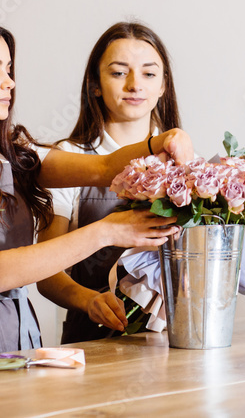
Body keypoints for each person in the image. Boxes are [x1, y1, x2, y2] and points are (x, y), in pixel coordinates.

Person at [0, 17, 189, 357]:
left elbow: (105, 166)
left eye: (8, 70)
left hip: (19, 329)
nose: (9, 83)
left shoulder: (12, 153)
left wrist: (165, 140)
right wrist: (107, 232)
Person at [37, 22, 181, 344]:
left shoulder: (185, 161)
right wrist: (89, 301)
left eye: (148, 73)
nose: (134, 85)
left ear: (163, 86)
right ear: (95, 85)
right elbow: (45, 272)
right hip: (90, 339)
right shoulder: (68, 159)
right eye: (118, 73)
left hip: (172, 339)